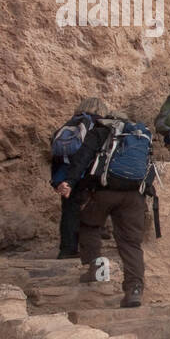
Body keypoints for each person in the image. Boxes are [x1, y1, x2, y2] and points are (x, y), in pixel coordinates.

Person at [56, 111, 157, 308]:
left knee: (89, 224)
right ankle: (134, 289)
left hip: (104, 190)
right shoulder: (139, 135)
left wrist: (69, 182)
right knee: (131, 243)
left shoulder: (101, 132)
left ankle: (96, 267)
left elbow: (82, 158)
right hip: (135, 195)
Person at [49, 97, 106, 259]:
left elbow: (56, 156)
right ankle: (89, 251)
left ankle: (67, 249)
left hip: (65, 175)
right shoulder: (98, 125)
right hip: (86, 174)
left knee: (69, 211)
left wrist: (57, 180)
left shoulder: (68, 125)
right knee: (90, 211)